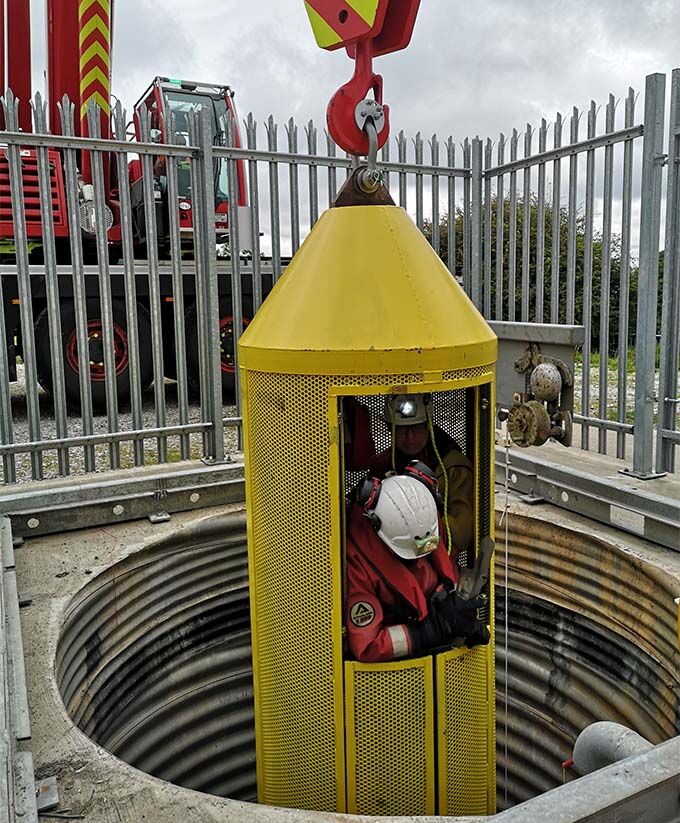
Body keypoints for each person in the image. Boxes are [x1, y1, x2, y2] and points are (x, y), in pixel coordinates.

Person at [345, 464, 488, 663]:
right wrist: (430, 630)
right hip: (393, 676)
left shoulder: (422, 520)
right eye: (409, 556)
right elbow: (367, 646)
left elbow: (444, 563)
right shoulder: (358, 564)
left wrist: (458, 609)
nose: (419, 561)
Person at [369, 394, 474, 555]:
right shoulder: (382, 465)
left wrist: (420, 534)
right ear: (390, 429)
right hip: (387, 558)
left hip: (436, 560)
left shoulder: (453, 468)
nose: (410, 437)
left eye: (416, 428)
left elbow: (461, 536)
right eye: (402, 429)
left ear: (428, 426)